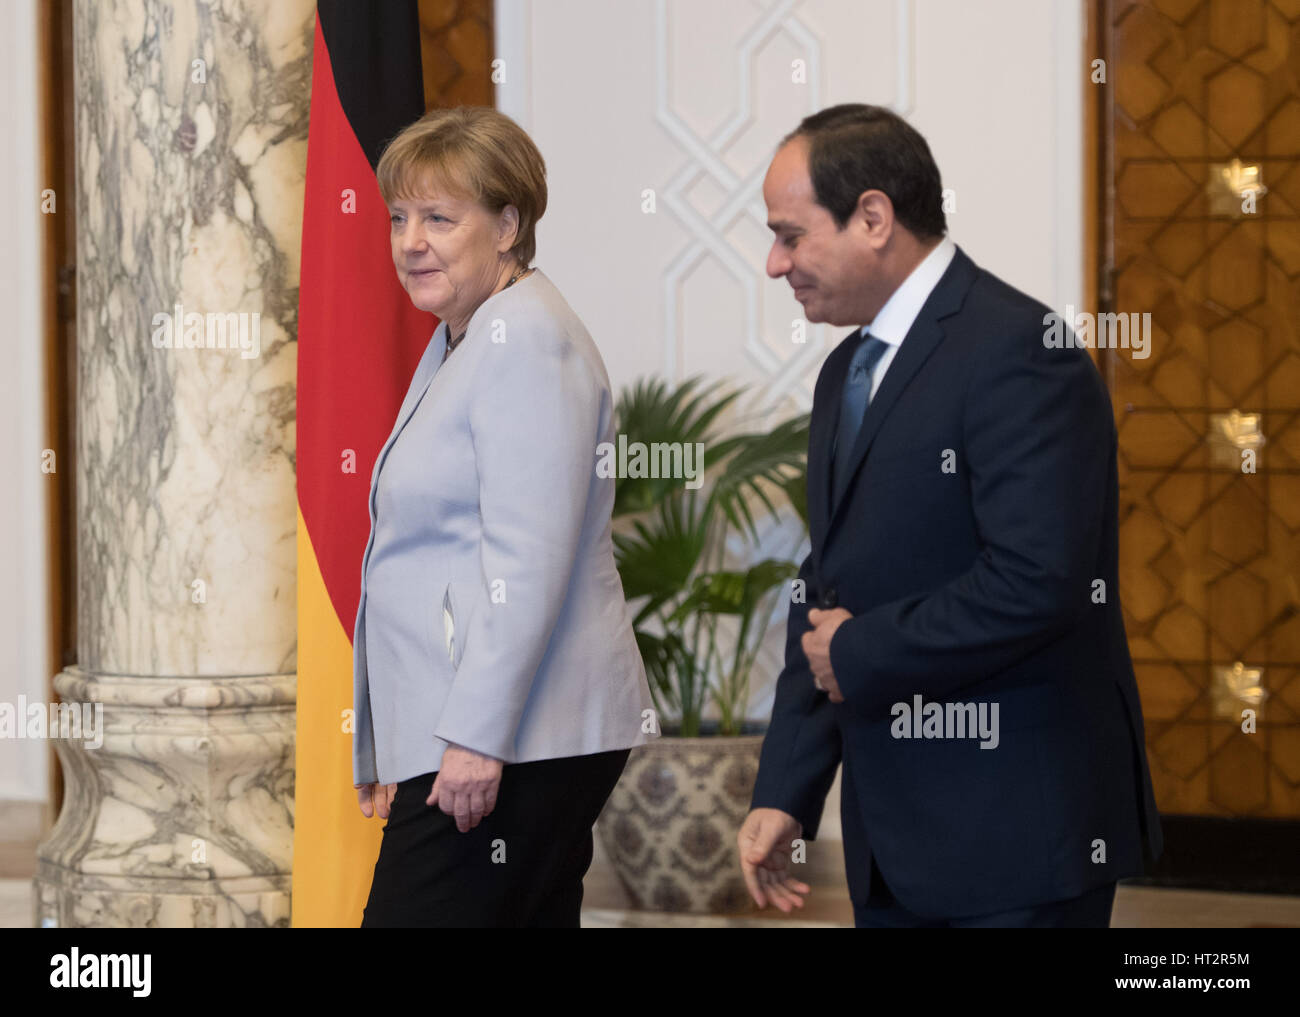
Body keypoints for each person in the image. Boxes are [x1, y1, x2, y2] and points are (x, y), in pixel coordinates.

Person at [738, 104, 1163, 928]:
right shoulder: (845, 373)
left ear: (872, 217)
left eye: (791, 235)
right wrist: (786, 790)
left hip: (1015, 840)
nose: (773, 262)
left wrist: (857, 649)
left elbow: (1038, 582)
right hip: (892, 850)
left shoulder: (1022, 350)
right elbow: (825, 583)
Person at [352, 106, 656, 927]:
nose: (411, 240)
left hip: (515, 735)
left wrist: (475, 739)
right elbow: (424, 557)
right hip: (483, 728)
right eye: (399, 217)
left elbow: (528, 560)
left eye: (440, 218)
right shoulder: (467, 333)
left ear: (509, 224)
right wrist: (393, 740)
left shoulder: (522, 337)